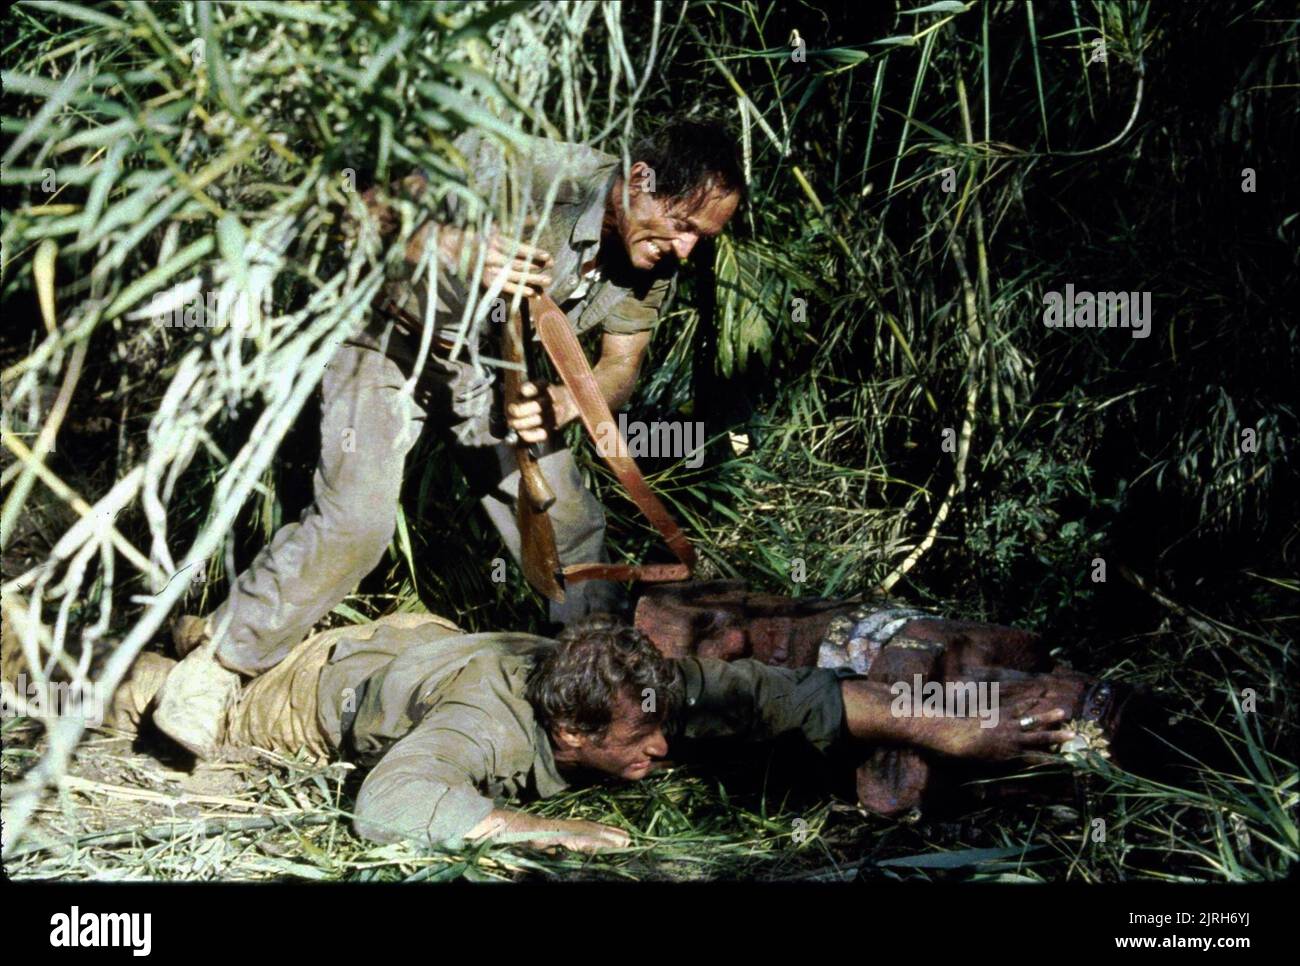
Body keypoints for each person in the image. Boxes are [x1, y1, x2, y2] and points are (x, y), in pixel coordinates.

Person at [151, 117, 745, 759]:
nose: (686, 249)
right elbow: (360, 208)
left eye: (699, 239)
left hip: (489, 371)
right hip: (387, 335)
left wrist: (563, 403)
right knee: (357, 521)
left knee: (572, 522)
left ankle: (592, 697)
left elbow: (618, 367)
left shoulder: (650, 262)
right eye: (683, 226)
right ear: (640, 181)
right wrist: (454, 247)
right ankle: (216, 666)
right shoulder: (530, 170)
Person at [101, 613, 1078, 854]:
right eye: (637, 747)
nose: (662, 753)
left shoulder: (646, 689)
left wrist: (958, 727)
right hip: (317, 694)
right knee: (145, 703)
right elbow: (385, 803)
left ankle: (197, 622)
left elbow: (799, 698)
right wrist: (538, 831)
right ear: (568, 735)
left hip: (417, 640)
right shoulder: (487, 729)